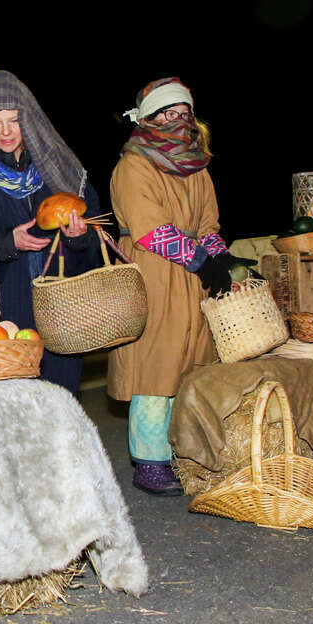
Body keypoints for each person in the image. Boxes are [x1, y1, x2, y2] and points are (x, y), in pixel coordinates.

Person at [107, 77, 255, 495]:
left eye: (183, 113)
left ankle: (184, 450)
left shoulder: (197, 167)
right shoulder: (134, 164)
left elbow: (208, 222)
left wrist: (219, 258)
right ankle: (150, 460)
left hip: (192, 274)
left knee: (191, 362)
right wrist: (200, 260)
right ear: (149, 118)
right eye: (167, 113)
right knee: (156, 364)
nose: (176, 121)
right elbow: (149, 228)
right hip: (155, 270)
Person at [0, 70, 101, 394]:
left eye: (14, 121)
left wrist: (79, 237)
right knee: (17, 400)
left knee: (63, 398)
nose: (6, 131)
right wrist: (9, 241)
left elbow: (93, 226)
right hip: (8, 306)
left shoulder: (57, 167)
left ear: (29, 120)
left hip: (61, 303)